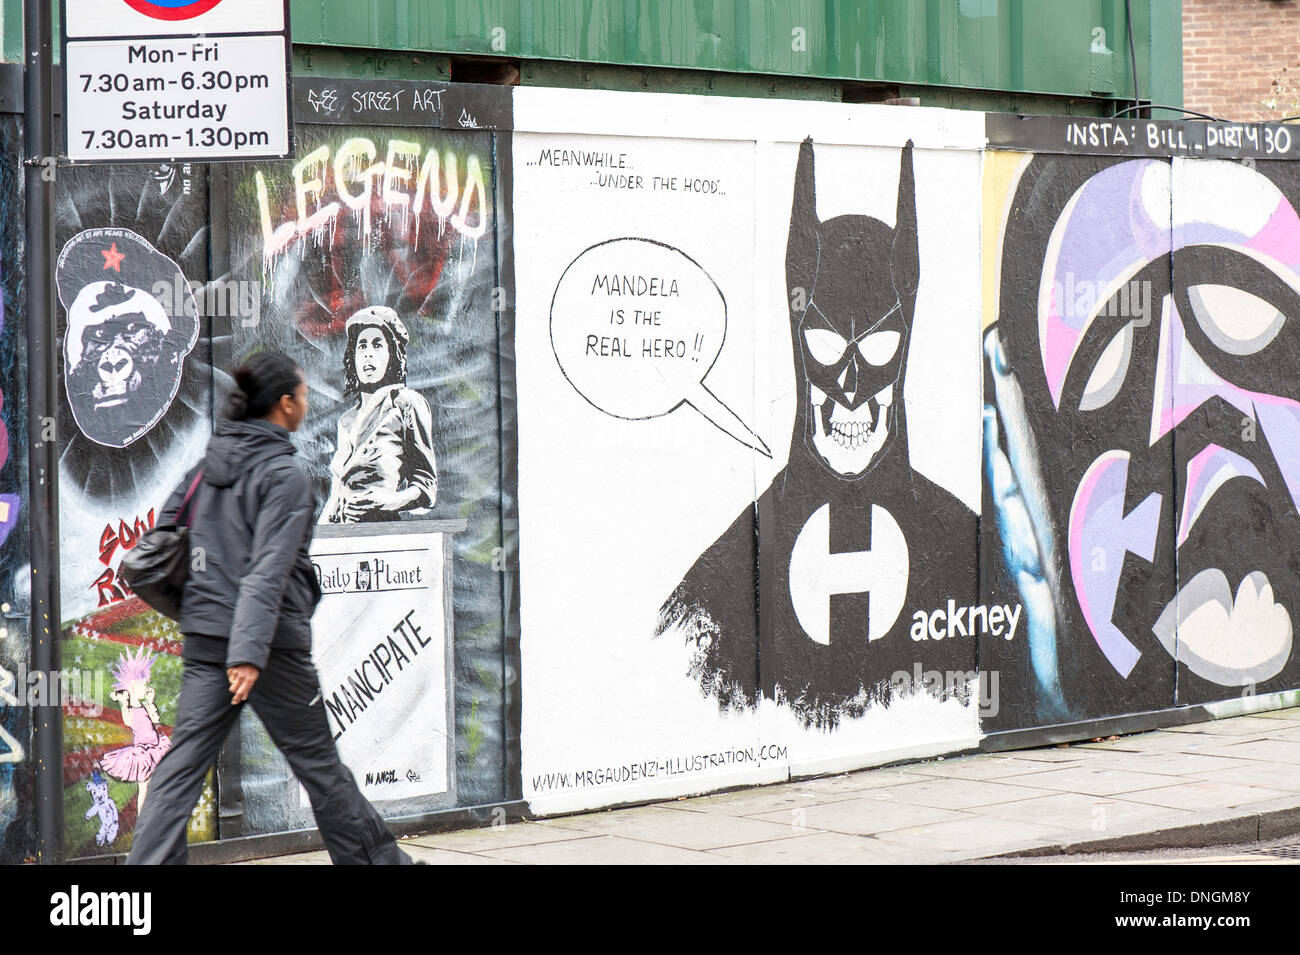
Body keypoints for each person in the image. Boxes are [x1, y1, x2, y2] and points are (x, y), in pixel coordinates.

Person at [127, 349, 412, 865]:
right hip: (267, 649)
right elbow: (267, 570)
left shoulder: (206, 467)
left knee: (179, 771)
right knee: (320, 767)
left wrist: (204, 618)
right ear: (283, 405)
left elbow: (160, 545)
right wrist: (249, 653)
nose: (305, 401)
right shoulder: (284, 476)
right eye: (301, 393)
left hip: (211, 640)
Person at [322, 305, 438, 524]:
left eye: (377, 345)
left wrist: (388, 501)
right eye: (361, 346)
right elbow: (336, 496)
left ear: (391, 354)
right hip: (341, 538)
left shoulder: (406, 403)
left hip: (381, 536)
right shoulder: (346, 420)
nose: (367, 353)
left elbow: (426, 488)